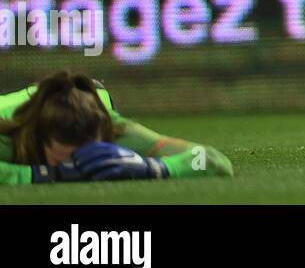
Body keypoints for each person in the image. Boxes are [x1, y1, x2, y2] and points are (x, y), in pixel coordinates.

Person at [1, 70, 232, 185]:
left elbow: (212, 159)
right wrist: (43, 174)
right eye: (65, 159)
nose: (81, 165)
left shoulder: (116, 130)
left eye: (88, 152)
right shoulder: (10, 133)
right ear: (41, 138)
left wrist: (154, 168)